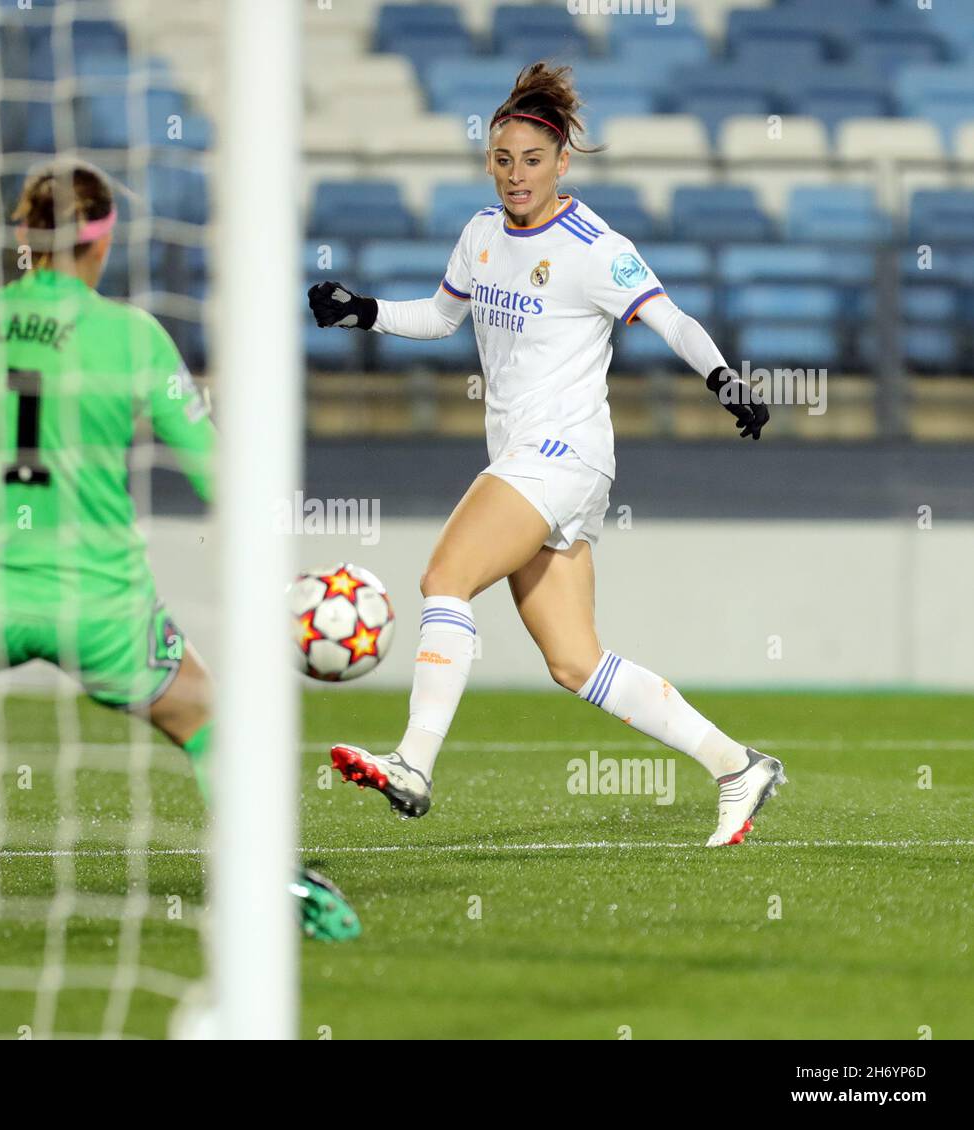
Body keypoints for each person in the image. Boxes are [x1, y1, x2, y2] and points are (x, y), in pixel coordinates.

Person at [0, 157, 358, 941]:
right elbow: (214, 472)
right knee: (209, 716)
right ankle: (275, 878)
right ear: (104, 239)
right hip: (97, 601)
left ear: (23, 236)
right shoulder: (135, 337)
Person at [308, 62, 784, 847]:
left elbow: (668, 319)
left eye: (532, 160)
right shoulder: (480, 235)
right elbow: (438, 317)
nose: (515, 175)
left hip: (564, 454)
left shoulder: (595, 246)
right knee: (575, 663)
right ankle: (737, 765)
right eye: (502, 160)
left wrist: (723, 378)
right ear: (488, 162)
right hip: (536, 461)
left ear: (562, 162)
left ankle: (415, 762)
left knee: (444, 578)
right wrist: (363, 311)